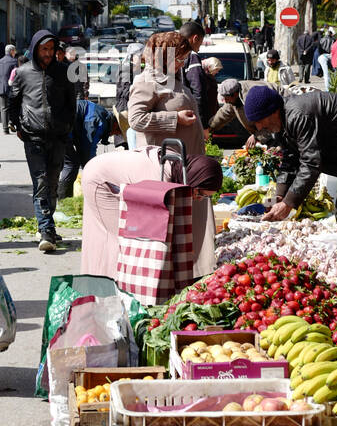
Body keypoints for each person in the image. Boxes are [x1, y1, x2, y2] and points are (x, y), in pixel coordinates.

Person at [243, 82, 337, 225]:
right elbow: (290, 159)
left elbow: (311, 163)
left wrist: (288, 203)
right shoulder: (281, 122)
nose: (259, 127)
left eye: (260, 121)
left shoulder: (298, 115)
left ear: (274, 111)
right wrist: (279, 196)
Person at [127, 31, 216, 267]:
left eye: (184, 58)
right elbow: (136, 119)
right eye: (178, 58)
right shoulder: (147, 82)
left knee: (189, 224)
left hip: (186, 164)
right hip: (164, 167)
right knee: (169, 226)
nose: (182, 63)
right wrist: (174, 118)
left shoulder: (174, 79)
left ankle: (192, 269)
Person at [81, 149, 223, 281]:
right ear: (193, 179)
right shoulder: (158, 181)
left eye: (205, 197)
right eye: (199, 193)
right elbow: (151, 229)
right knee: (123, 236)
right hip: (99, 180)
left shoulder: (178, 166)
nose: (198, 199)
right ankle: (116, 283)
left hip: (110, 172)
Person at [6, 29, 76, 253]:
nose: (47, 53)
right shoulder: (23, 72)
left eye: (51, 49)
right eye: (43, 49)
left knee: (53, 184)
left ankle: (47, 225)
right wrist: (18, 126)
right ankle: (46, 230)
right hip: (33, 137)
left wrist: (67, 127)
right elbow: (13, 102)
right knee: (41, 182)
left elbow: (71, 105)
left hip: (58, 137)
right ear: (35, 49)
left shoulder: (65, 72)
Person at [178, 19, 212, 127]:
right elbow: (198, 90)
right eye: (199, 44)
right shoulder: (192, 56)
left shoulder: (169, 54)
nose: (199, 49)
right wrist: (203, 124)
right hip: (189, 116)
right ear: (195, 38)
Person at [209, 78, 254, 147]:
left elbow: (264, 118)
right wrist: (209, 128)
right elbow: (223, 115)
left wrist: (256, 135)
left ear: (235, 94)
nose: (225, 101)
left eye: (226, 98)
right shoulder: (233, 98)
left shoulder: (250, 97)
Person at [0, 44, 18, 134]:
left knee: (3, 108)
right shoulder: (14, 61)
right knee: (12, 106)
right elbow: (16, 76)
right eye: (14, 51)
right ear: (11, 51)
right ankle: (11, 123)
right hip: (11, 88)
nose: (15, 52)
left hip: (1, 87)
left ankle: (5, 129)